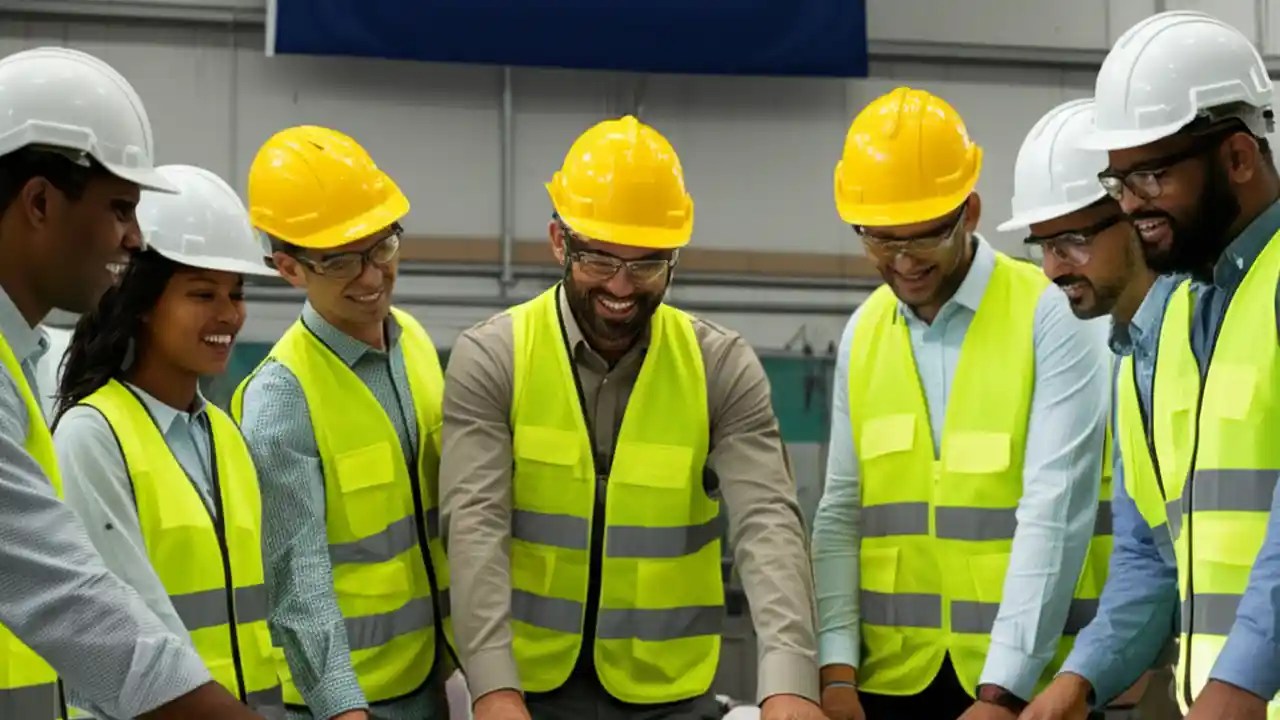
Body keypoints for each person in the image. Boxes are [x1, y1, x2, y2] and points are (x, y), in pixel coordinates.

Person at [440, 114, 823, 720]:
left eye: (645, 264)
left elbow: (769, 527)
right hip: (527, 691)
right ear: (559, 242)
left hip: (670, 694)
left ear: (675, 257)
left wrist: (790, 683)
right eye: (598, 258)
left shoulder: (720, 365)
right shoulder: (494, 357)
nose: (620, 285)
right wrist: (492, 688)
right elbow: (474, 530)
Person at [810, 86, 1114, 720]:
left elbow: (1055, 505)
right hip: (891, 685)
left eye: (922, 237)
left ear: (970, 211)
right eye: (880, 241)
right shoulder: (864, 333)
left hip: (1027, 688)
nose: (902, 261)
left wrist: (1004, 689)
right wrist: (836, 671)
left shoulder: (1049, 313)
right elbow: (841, 513)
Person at [0, 45, 267, 720]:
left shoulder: (20, 364)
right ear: (38, 202)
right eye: (121, 208)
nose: (134, 238)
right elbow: (75, 603)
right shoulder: (91, 426)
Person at [1069, 9, 1280, 718]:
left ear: (1239, 159)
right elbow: (1157, 555)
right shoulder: (1181, 314)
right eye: (1118, 181)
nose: (1130, 206)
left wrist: (1241, 685)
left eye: (1152, 176)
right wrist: (1079, 683)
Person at [231, 125, 454, 720]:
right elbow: (295, 579)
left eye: (382, 246)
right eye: (339, 260)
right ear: (288, 268)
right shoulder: (282, 398)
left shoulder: (417, 346)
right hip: (343, 705)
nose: (372, 275)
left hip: (431, 681)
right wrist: (342, 709)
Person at [50, 164, 285, 719]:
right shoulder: (93, 436)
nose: (229, 314)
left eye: (236, 292)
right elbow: (129, 630)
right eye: (202, 294)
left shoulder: (226, 434)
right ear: (144, 305)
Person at [998, 98, 1184, 720]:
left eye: (1073, 241)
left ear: (1136, 216)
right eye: (1042, 245)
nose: (1052, 268)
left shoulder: (1203, 335)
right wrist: (1078, 680)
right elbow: (1148, 559)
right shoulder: (1132, 358)